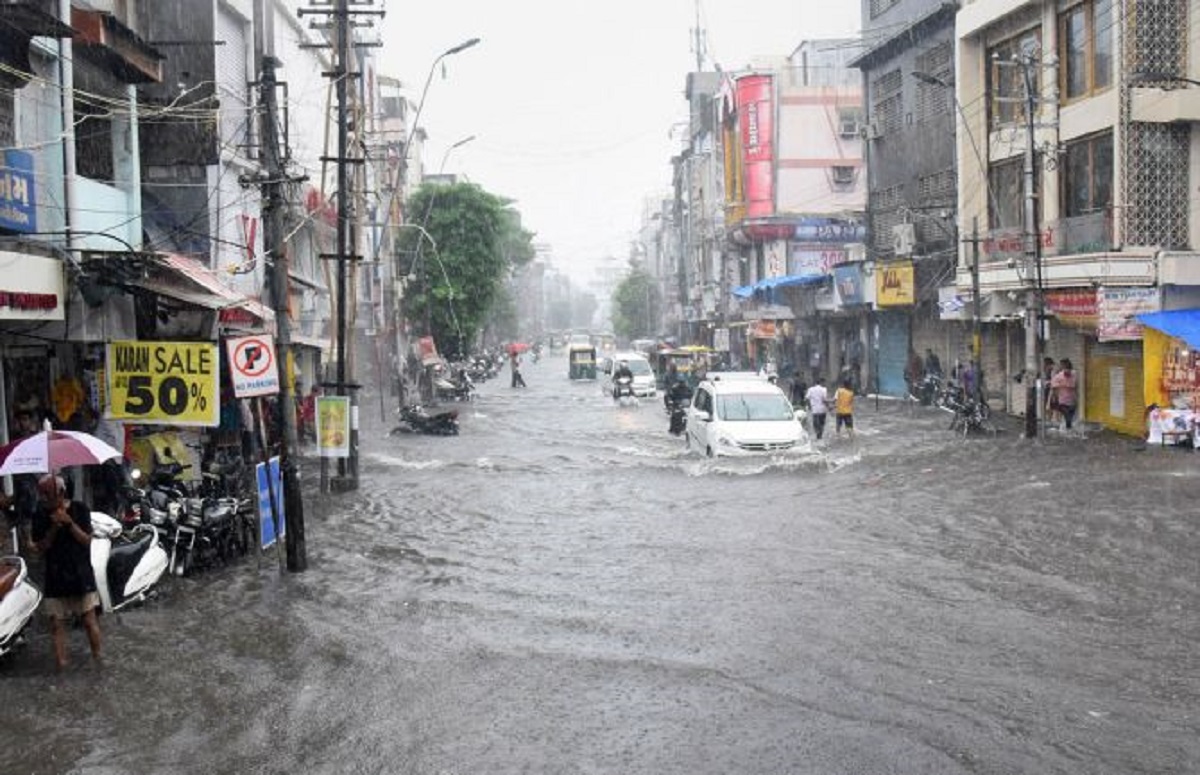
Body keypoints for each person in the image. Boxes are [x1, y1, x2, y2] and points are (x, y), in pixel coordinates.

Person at [31, 474, 101, 670]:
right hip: (55, 576)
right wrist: (54, 526)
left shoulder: (80, 509)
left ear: (61, 493)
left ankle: (98, 660)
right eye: (42, 495)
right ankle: (62, 666)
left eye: (47, 494)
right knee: (56, 624)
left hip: (80, 574)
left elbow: (87, 541)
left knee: (88, 620)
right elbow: (41, 547)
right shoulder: (40, 514)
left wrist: (69, 522)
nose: (44, 499)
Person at [1050, 358, 1078, 430]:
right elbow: (1054, 387)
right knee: (1067, 418)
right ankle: (1068, 432)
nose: (1067, 373)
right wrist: (1054, 398)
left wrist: (1076, 398)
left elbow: (1075, 387)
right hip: (1062, 401)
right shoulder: (1059, 376)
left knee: (1070, 418)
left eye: (1069, 371)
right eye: (1066, 371)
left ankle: (1065, 429)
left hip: (1072, 401)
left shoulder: (1074, 374)